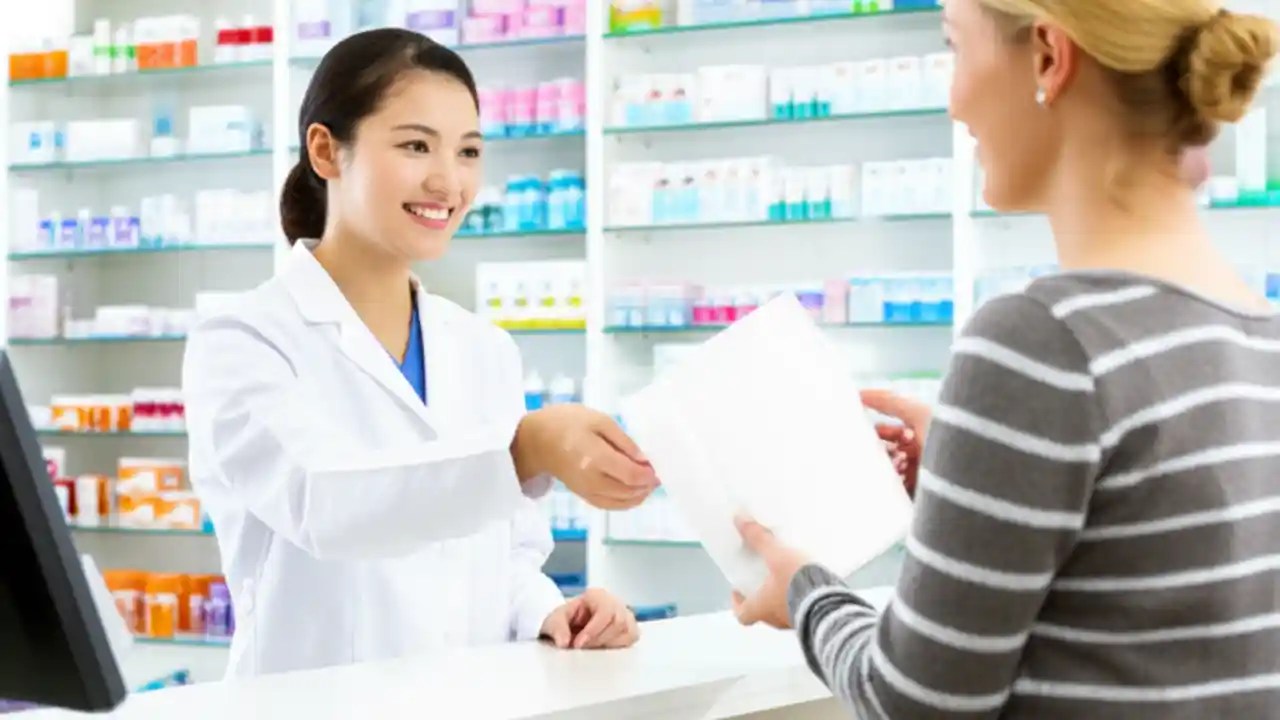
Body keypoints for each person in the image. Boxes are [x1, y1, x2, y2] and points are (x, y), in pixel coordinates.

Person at [731, 1, 1280, 718]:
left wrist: (806, 589)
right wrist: (984, 473)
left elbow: (915, 704)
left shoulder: (1041, 344)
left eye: (956, 49)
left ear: (1049, 57)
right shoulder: (1257, 333)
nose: (955, 101)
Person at [181, 28, 657, 678]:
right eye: (414, 145)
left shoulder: (483, 349)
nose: (448, 181)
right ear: (326, 150)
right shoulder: (245, 340)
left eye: (468, 152)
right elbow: (324, 503)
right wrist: (522, 451)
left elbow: (505, 558)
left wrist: (552, 612)